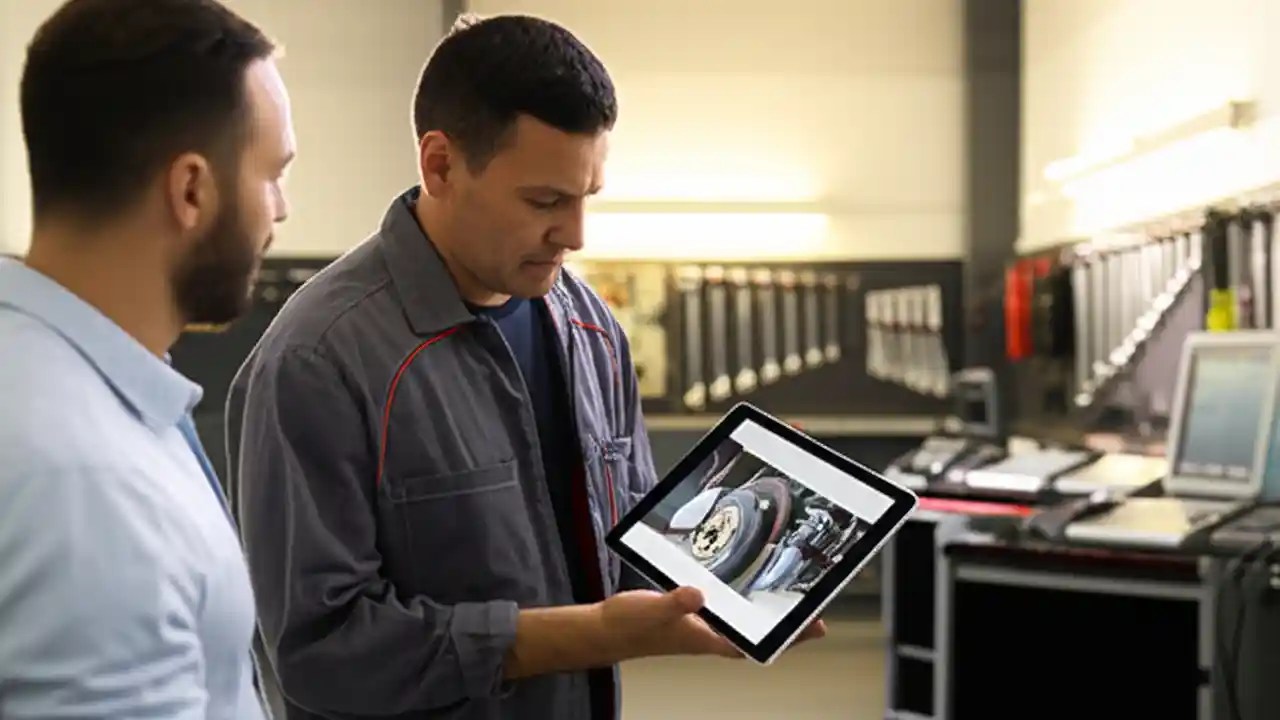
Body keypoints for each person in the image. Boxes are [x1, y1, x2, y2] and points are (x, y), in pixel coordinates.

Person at [225, 12, 822, 720]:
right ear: (440, 166)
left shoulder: (591, 329)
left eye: (585, 197)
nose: (575, 234)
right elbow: (321, 653)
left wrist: (732, 544)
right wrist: (586, 635)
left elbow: (620, 559)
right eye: (544, 201)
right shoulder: (318, 362)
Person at [0, 0, 295, 717]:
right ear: (191, 189)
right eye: (272, 174)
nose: (281, 209)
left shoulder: (55, 385)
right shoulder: (88, 487)